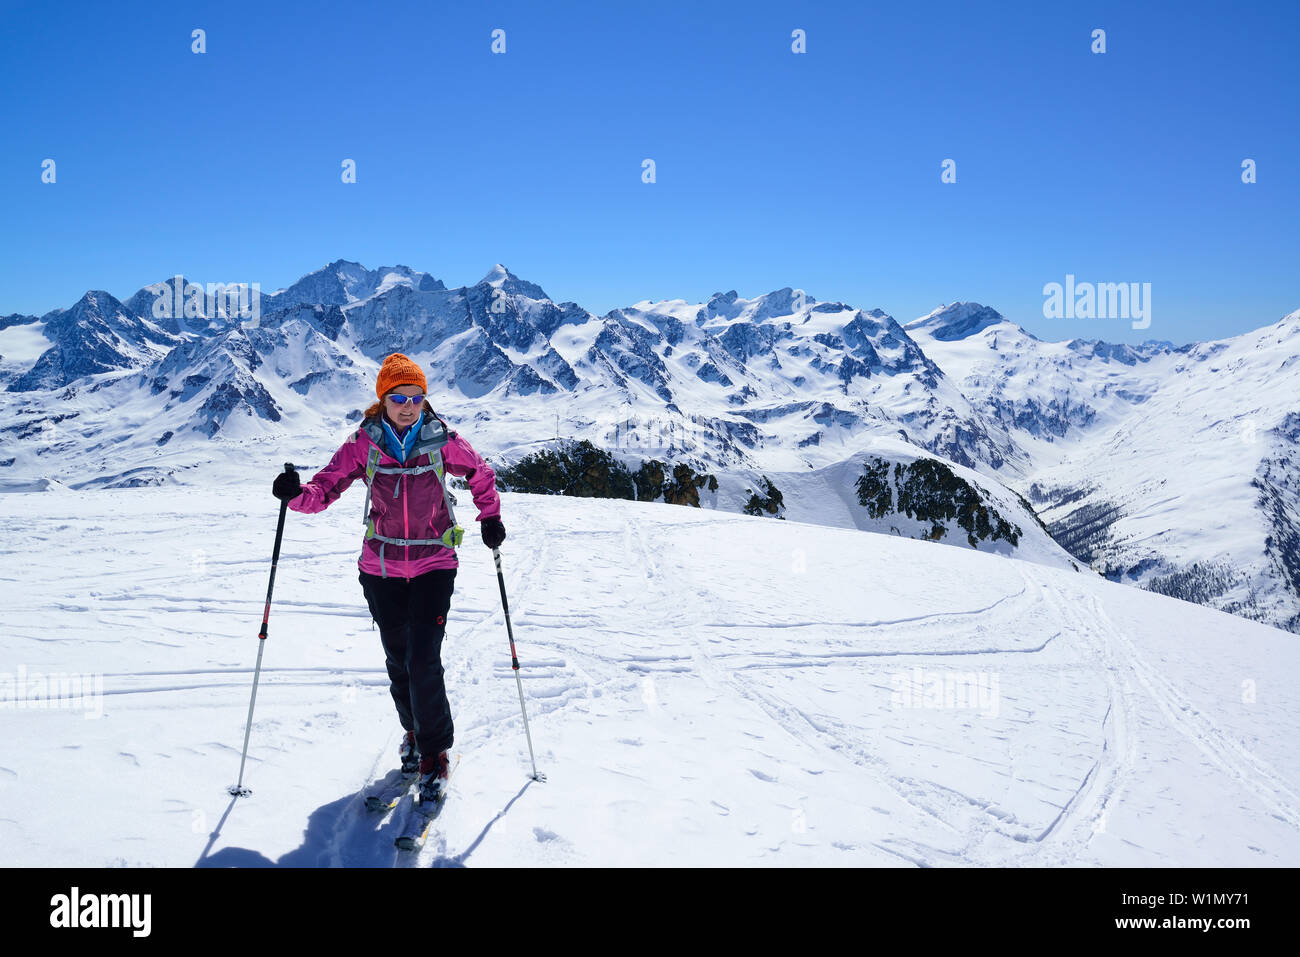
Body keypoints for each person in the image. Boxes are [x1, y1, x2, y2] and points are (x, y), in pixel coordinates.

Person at [271, 352, 505, 803]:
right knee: (399, 663)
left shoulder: (441, 439)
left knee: (422, 661)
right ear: (383, 399)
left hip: (434, 564)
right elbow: (325, 488)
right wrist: (294, 496)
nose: (408, 406)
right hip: (379, 569)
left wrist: (489, 517)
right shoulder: (365, 442)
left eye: (417, 398)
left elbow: (481, 472)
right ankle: (414, 735)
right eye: (399, 397)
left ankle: (435, 752)